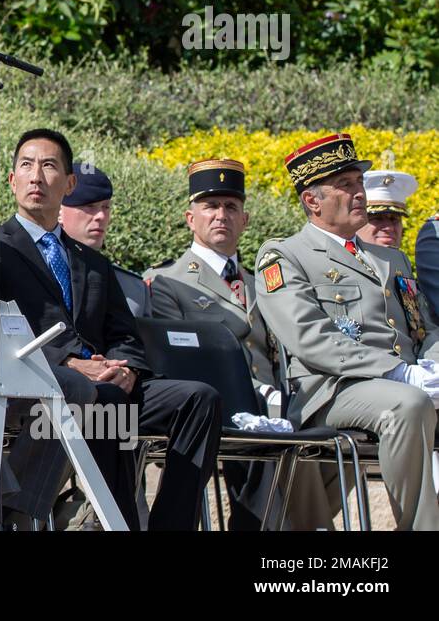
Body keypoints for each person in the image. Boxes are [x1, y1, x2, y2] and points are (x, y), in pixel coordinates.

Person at [0, 128, 221, 530]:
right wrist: (68, 362)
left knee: (198, 399)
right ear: (11, 181)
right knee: (107, 400)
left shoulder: (91, 261)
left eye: (49, 166)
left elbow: (124, 334)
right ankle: (116, 523)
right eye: (25, 166)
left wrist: (128, 367)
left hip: (106, 381)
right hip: (40, 383)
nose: (36, 177)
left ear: (69, 183)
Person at [255, 133, 439, 530]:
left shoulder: (390, 257)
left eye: (359, 183)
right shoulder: (285, 256)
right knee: (406, 405)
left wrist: (433, 366)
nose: (360, 194)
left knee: (410, 398)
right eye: (346, 185)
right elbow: (309, 337)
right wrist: (397, 371)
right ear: (312, 200)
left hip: (400, 383)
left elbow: (424, 328)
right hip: (329, 390)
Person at [144, 158, 333, 530]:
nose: (221, 215)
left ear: (245, 220)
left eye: (231, 207)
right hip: (221, 406)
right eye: (210, 206)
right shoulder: (167, 281)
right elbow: (177, 361)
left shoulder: (266, 281)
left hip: (281, 403)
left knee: (324, 441)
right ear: (190, 218)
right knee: (282, 448)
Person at [59, 163, 151, 316]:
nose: (101, 216)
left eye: (106, 207)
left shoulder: (133, 288)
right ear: (59, 211)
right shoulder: (36, 273)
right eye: (89, 206)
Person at [357, 169, 417, 248]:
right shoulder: (342, 259)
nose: (389, 228)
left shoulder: (403, 260)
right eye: (377, 218)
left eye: (394, 219)